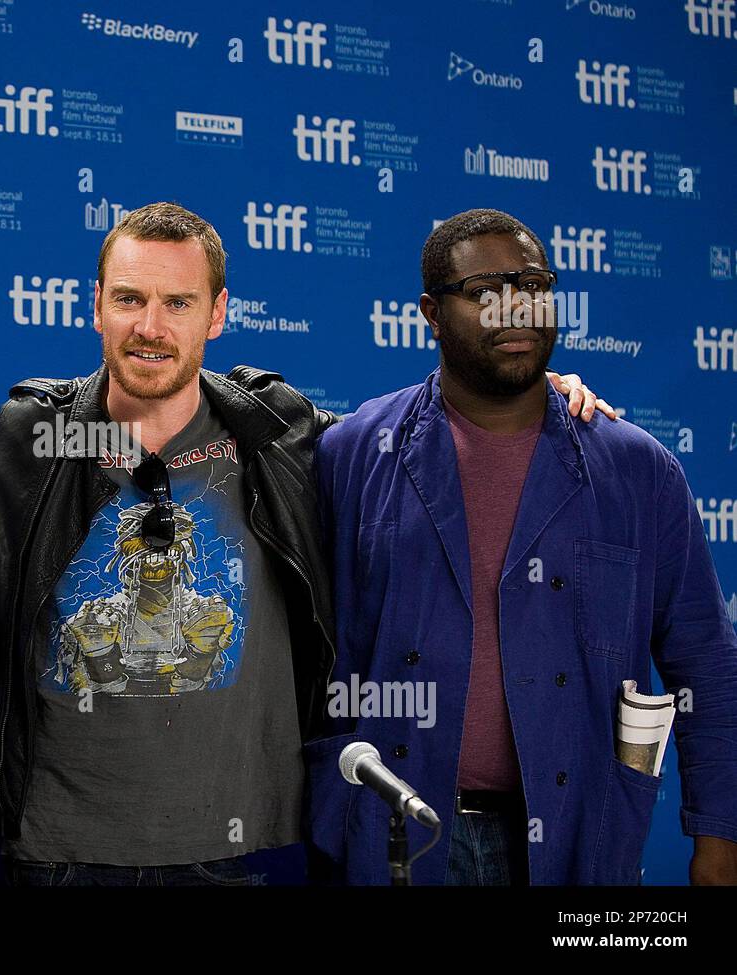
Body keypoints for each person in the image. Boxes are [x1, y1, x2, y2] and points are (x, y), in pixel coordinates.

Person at [0, 202, 608, 886]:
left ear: (216, 314)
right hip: (60, 856)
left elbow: (425, 441)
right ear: (95, 305)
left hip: (249, 853)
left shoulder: (280, 435)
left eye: (178, 302)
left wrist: (529, 400)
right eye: (129, 298)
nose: (150, 327)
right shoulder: (25, 443)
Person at [309, 208, 737, 885]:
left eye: (534, 284)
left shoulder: (636, 470)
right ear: (431, 312)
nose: (516, 307)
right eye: (484, 292)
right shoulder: (354, 452)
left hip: (573, 833)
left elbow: (706, 661)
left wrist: (720, 834)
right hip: (397, 828)